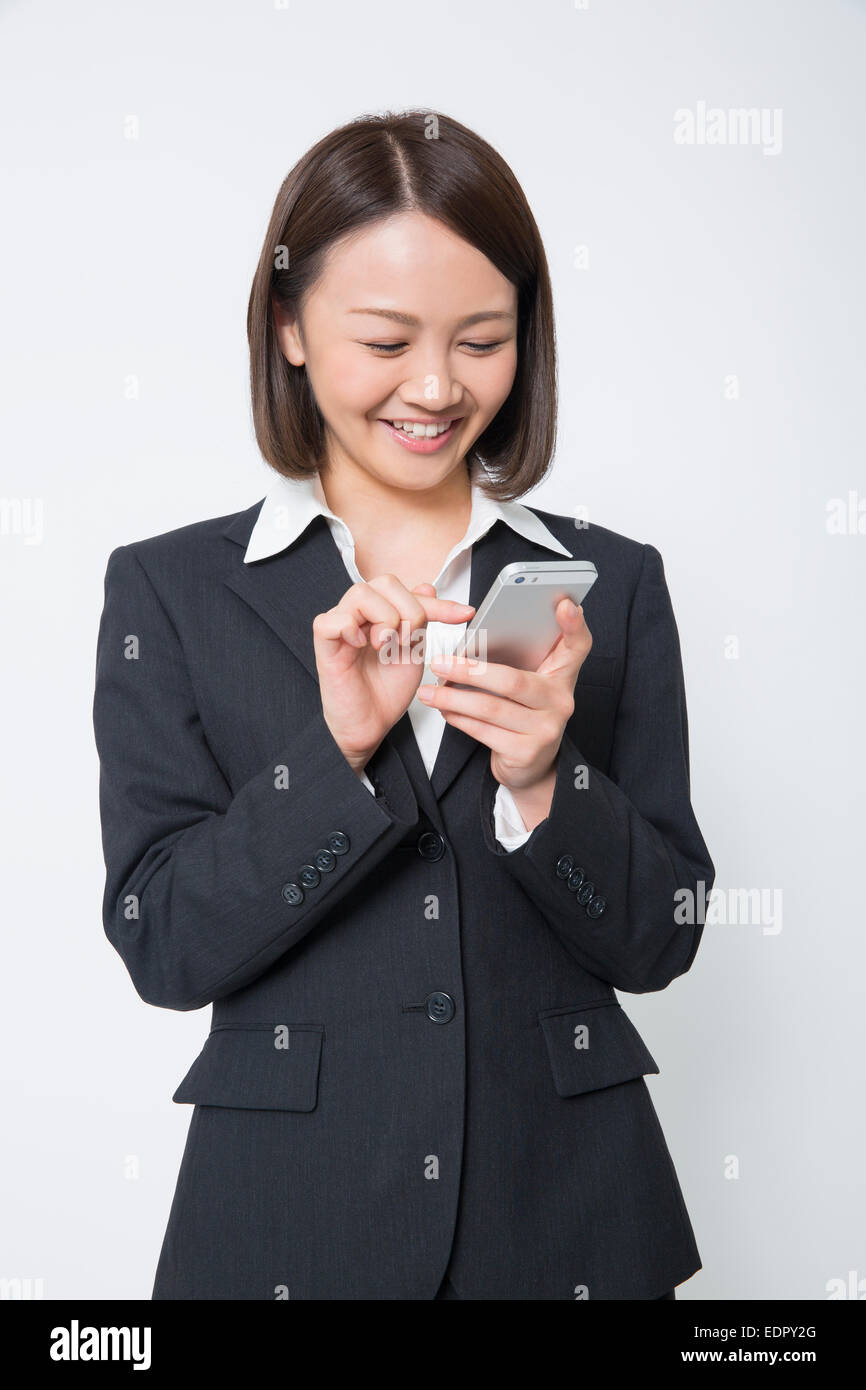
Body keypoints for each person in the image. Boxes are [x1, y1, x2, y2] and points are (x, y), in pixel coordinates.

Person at [92, 109, 714, 1300]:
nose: (435, 387)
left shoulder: (612, 584)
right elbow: (162, 939)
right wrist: (336, 749)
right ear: (286, 325)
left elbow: (665, 932)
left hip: (571, 1219)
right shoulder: (168, 591)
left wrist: (545, 782)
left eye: (482, 340)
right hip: (283, 1226)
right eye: (384, 340)